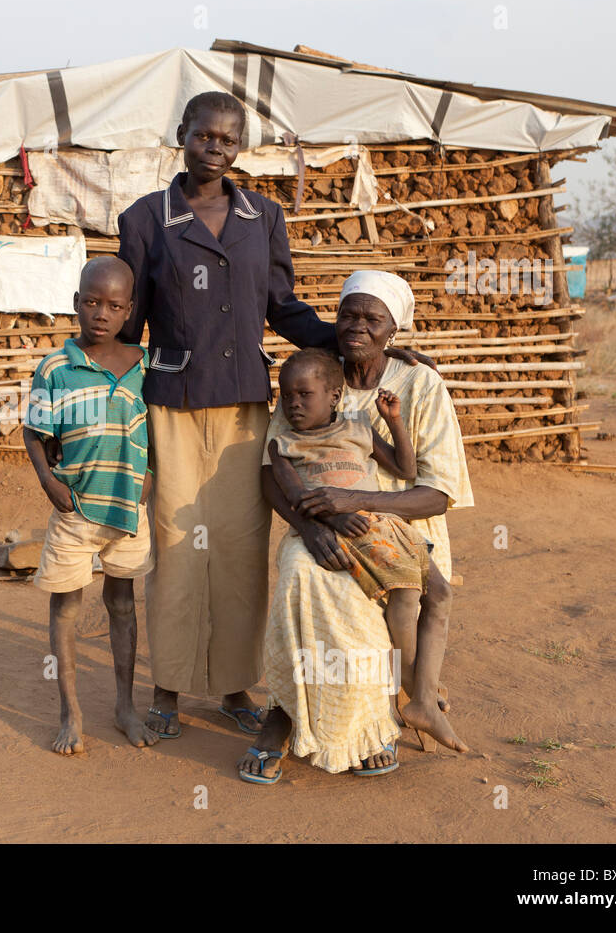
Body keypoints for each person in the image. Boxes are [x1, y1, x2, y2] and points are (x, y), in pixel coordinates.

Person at [116, 92, 432, 739]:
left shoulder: (263, 216)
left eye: (229, 140)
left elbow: (283, 307)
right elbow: (131, 323)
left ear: (240, 148)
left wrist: (361, 343)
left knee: (237, 549)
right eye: (204, 135)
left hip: (243, 409)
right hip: (173, 406)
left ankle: (235, 686)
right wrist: (107, 403)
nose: (216, 147)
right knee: (177, 550)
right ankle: (167, 688)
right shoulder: (146, 219)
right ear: (182, 135)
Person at [237, 270, 472, 785]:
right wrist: (311, 523)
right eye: (348, 314)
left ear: (394, 330)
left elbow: (436, 491)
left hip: (405, 533)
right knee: (301, 571)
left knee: (365, 593)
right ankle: (285, 711)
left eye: (373, 319)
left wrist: (354, 500)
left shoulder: (418, 384)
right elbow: (270, 469)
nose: (357, 327)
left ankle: (376, 717)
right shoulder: (314, 375)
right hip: (318, 523)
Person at [264, 348, 467, 760]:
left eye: (304, 395)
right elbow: (295, 495)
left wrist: (394, 422)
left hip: (381, 525)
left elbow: (406, 470)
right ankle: (415, 695)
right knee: (403, 597)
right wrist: (336, 519)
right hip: (348, 530)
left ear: (335, 396)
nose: (294, 404)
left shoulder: (359, 427)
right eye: (287, 396)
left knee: (437, 594)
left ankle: (421, 697)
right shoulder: (282, 444)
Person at [23, 257, 157, 755]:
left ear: (129, 310)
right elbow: (34, 432)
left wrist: (153, 474)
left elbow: (159, 429)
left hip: (127, 509)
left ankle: (125, 707)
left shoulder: (144, 365)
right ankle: (70, 714)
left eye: (114, 305)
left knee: (122, 604)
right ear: (76, 303)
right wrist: (46, 481)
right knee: (67, 607)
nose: (101, 313)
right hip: (75, 507)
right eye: (92, 302)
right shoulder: (56, 368)